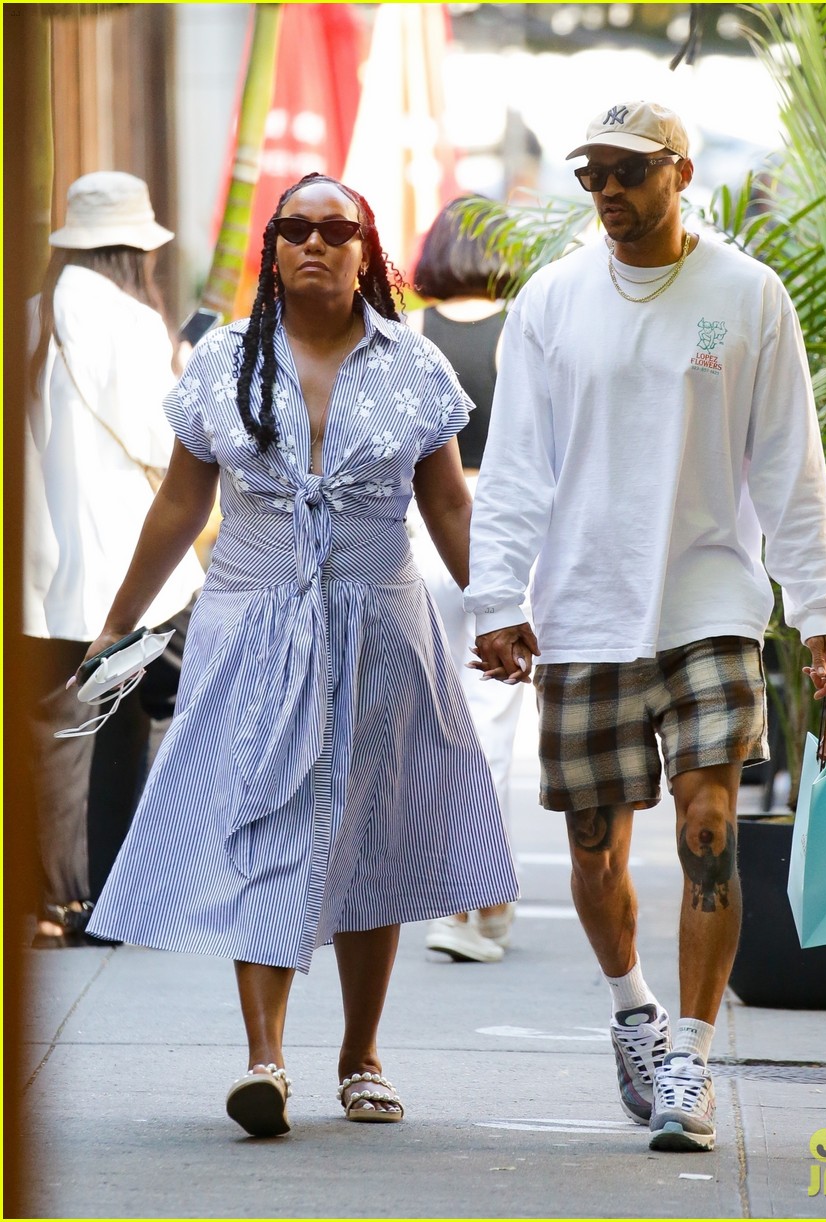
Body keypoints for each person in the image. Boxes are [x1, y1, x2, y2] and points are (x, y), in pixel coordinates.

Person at [83, 172, 519, 1136]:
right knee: (265, 829)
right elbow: (180, 504)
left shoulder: (413, 365)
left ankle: (361, 1058)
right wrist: (120, 620)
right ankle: (264, 1061)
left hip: (381, 632)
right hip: (253, 632)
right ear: (272, 250)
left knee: (372, 839)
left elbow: (447, 503)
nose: (316, 243)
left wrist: (494, 610)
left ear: (367, 253)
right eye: (297, 229)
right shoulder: (225, 361)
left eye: (337, 230)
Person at [465, 101, 826, 1153]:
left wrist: (816, 607)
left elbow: (789, 465)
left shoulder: (746, 295)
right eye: (592, 175)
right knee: (596, 849)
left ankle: (691, 1053)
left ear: (679, 171)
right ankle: (633, 1008)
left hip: (712, 603)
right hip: (585, 609)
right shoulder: (550, 302)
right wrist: (497, 598)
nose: (608, 193)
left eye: (628, 172)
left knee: (709, 830)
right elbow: (515, 470)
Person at [24, 171, 204, 947]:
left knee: (51, 739)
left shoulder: (30, 316)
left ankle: (46, 900)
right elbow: (167, 444)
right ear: (136, 250)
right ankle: (107, 902)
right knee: (122, 729)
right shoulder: (132, 324)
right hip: (127, 566)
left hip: (43, 564)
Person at [408, 198, 522, 964]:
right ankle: (477, 899)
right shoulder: (522, 334)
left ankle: (464, 895)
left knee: (428, 714)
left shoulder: (411, 337)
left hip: (415, 535)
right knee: (492, 713)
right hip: (497, 535)